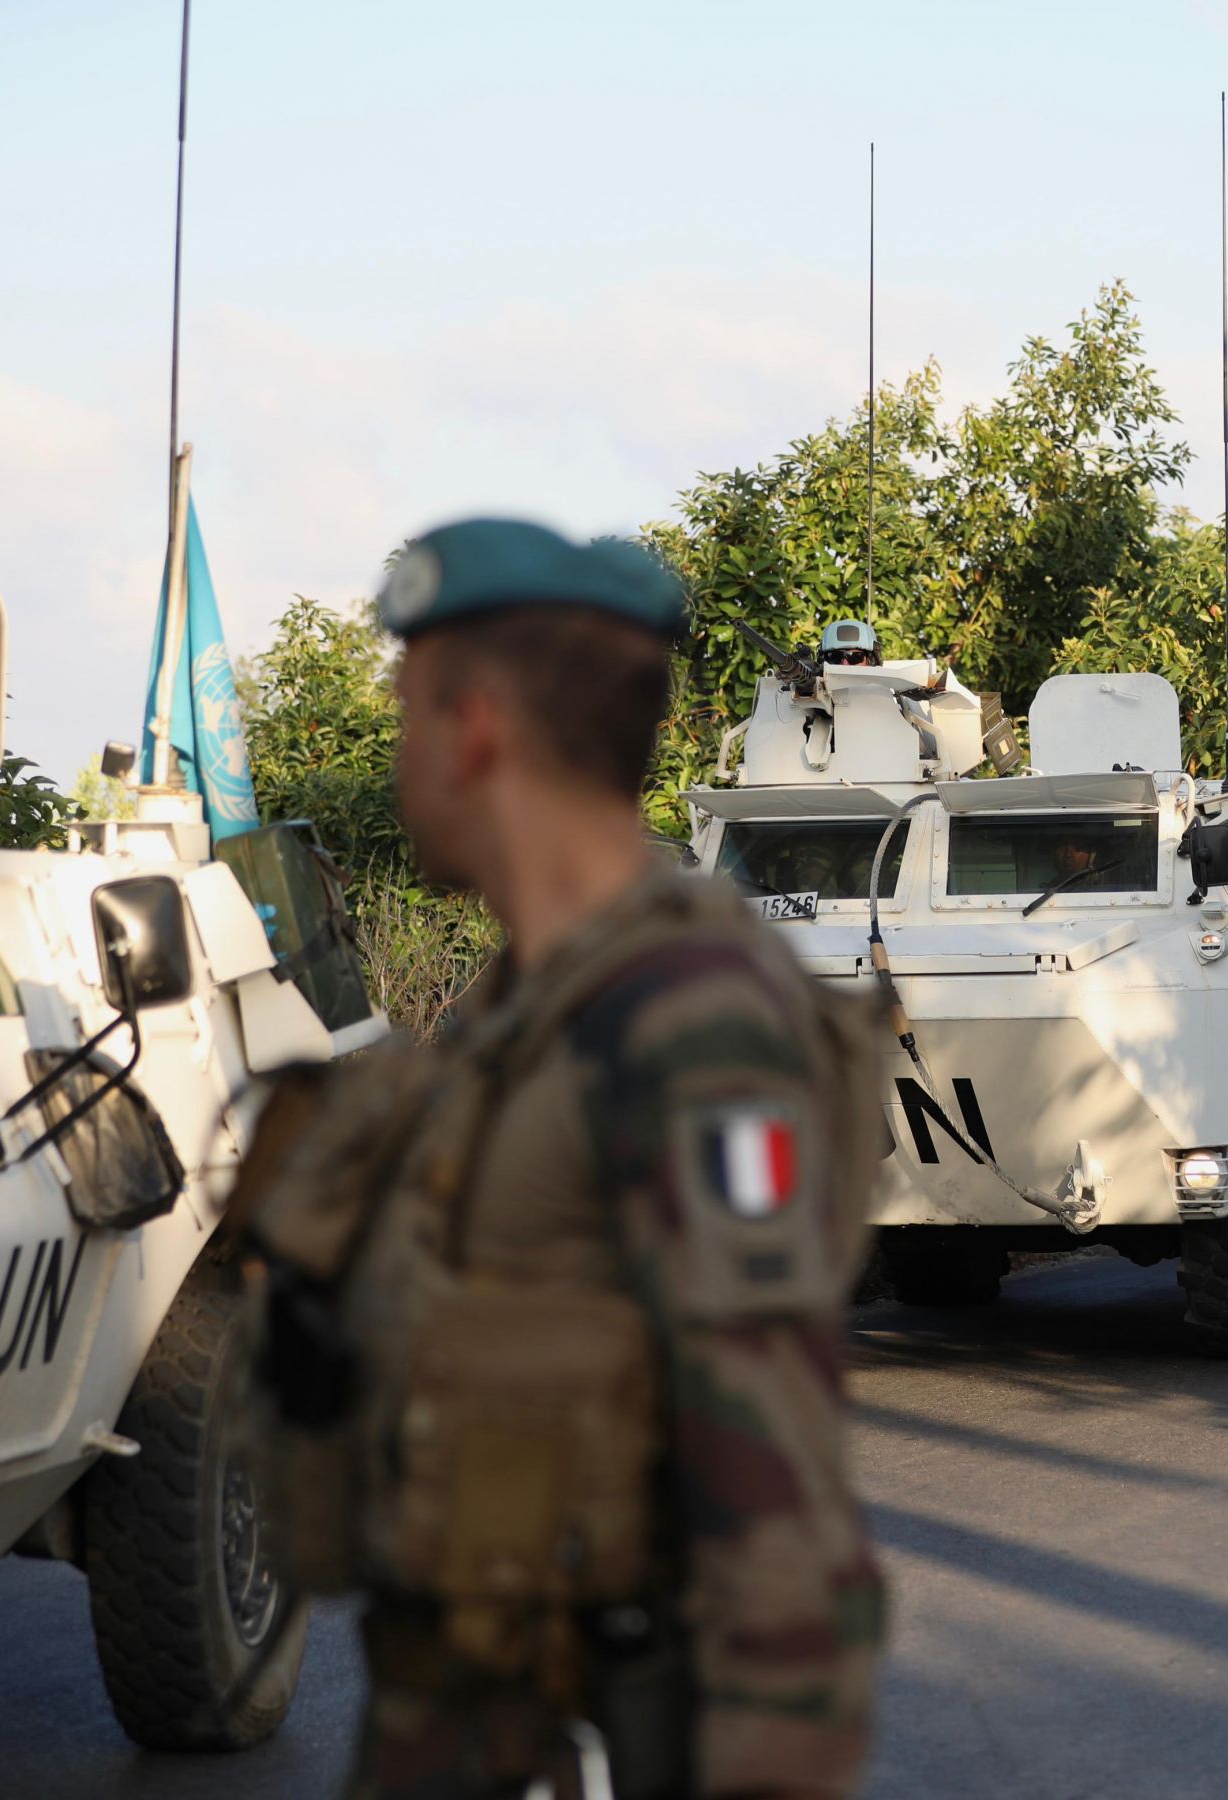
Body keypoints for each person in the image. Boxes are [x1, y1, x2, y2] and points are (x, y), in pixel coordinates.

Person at [246, 518, 883, 1800]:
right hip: (462, 1715)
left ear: (474, 725)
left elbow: (776, 1494)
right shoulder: (514, 1011)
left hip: (592, 1728)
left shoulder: (692, 1019)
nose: (398, 752)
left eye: (407, 711)